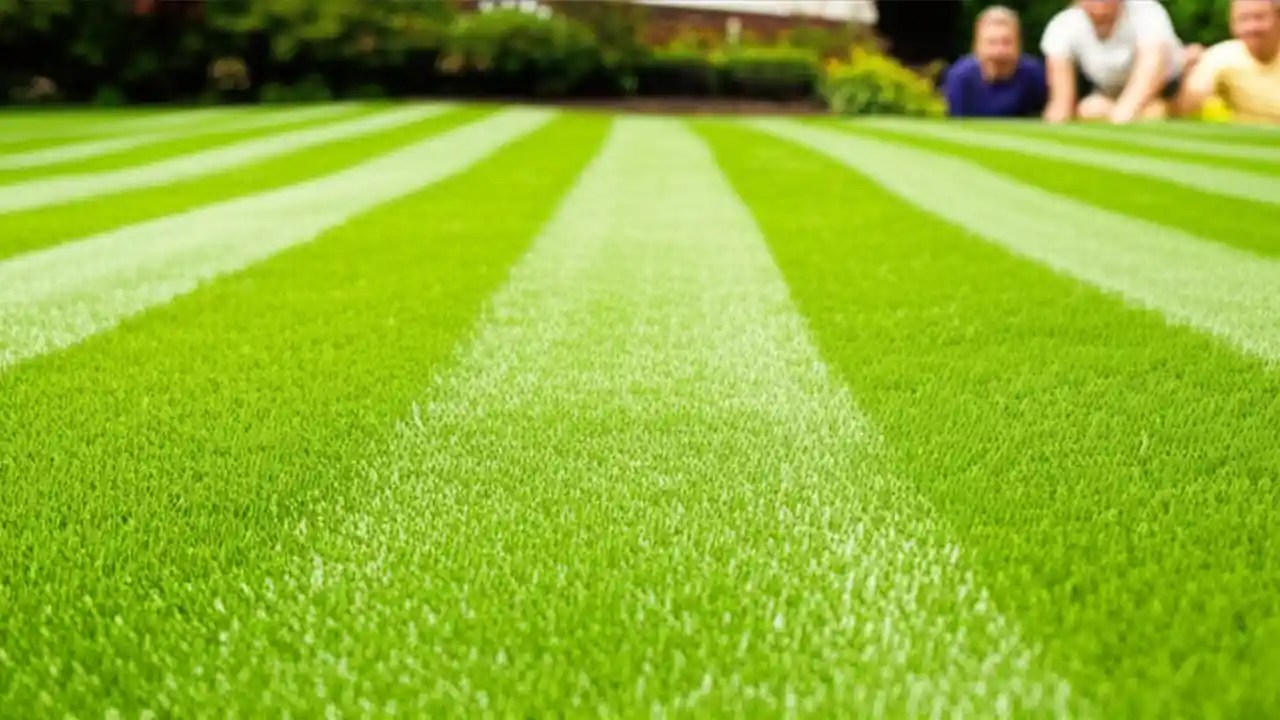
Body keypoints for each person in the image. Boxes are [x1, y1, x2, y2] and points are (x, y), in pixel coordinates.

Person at [1040, 0, 1189, 123]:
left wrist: (1122, 115)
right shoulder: (1062, 26)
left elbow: (1151, 71)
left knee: (1162, 109)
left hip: (1170, 88)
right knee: (1089, 109)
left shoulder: (1147, 12)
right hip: (1112, 96)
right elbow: (1061, 102)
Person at [1180, 0, 1280, 124]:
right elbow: (1186, 106)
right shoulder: (1222, 56)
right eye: (1243, 19)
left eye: (1259, 17)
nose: (1251, 27)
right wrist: (1182, 70)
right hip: (1247, 135)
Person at [944, 6, 1048, 117]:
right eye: (992, 43)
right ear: (976, 46)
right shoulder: (960, 78)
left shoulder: (1035, 75)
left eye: (1006, 42)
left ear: (1019, 45)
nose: (999, 51)